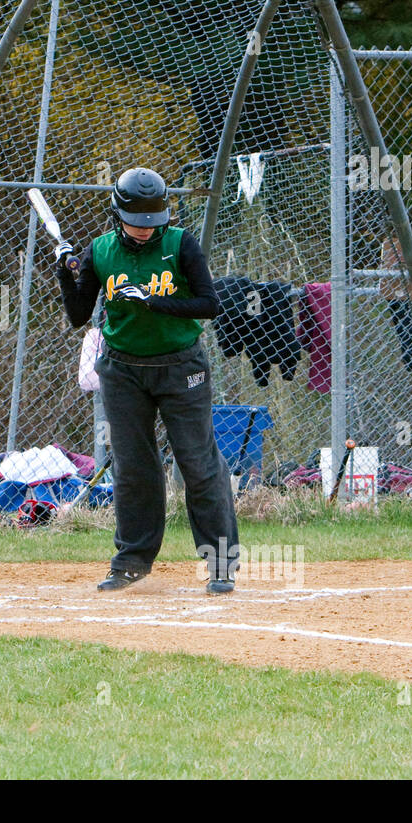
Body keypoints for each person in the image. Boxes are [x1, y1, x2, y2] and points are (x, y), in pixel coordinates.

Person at [55, 167, 239, 593]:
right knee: (134, 467)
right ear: (118, 214)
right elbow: (78, 315)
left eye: (151, 223)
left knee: (198, 462)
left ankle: (221, 562)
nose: (143, 231)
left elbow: (208, 305)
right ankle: (131, 562)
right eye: (135, 223)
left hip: (181, 368)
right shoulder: (99, 250)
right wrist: (67, 272)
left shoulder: (180, 244)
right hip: (122, 371)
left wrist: (156, 302)